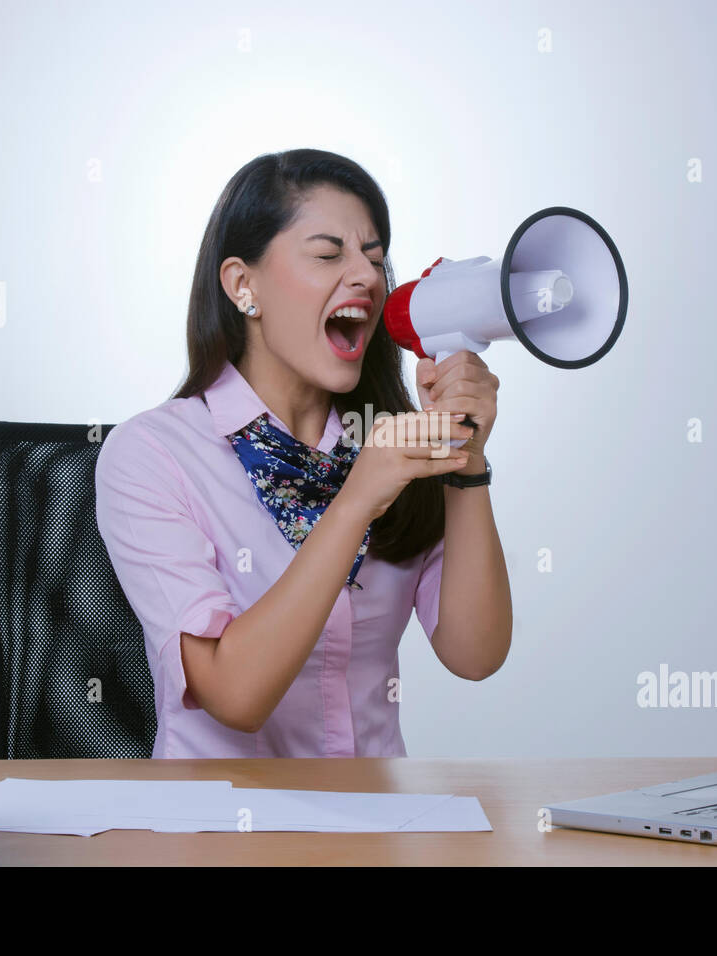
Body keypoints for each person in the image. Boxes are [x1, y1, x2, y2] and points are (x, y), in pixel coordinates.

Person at [95, 148, 512, 758]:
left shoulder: (392, 442)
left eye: (375, 258)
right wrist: (354, 505)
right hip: (220, 836)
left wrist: (465, 460)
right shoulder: (152, 456)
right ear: (243, 286)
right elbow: (234, 696)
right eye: (327, 254)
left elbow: (475, 655)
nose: (366, 277)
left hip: (378, 829)